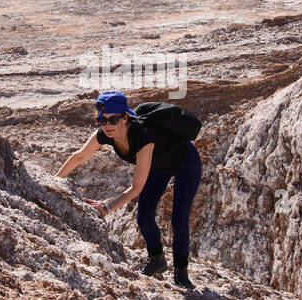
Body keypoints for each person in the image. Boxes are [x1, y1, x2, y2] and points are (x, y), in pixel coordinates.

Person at [55, 90, 201, 289]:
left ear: (125, 118)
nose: (107, 125)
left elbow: (136, 188)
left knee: (178, 220)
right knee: (144, 217)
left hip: (185, 162)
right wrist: (53, 180)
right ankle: (156, 260)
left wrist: (107, 207)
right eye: (102, 120)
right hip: (157, 166)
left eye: (113, 120)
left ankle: (181, 275)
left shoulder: (142, 136)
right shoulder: (105, 135)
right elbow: (80, 156)